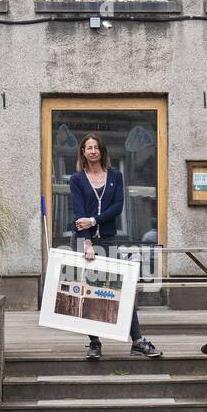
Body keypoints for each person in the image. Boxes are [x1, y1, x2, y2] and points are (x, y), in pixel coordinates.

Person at [67, 133, 161, 360]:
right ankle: (94, 342)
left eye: (96, 147)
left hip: (108, 240)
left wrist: (94, 221)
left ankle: (137, 341)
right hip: (83, 241)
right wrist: (87, 241)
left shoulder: (115, 176)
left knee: (121, 291)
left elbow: (117, 207)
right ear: (83, 152)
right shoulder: (77, 179)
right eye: (88, 147)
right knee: (88, 293)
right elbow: (79, 213)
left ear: (102, 151)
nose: (92, 151)